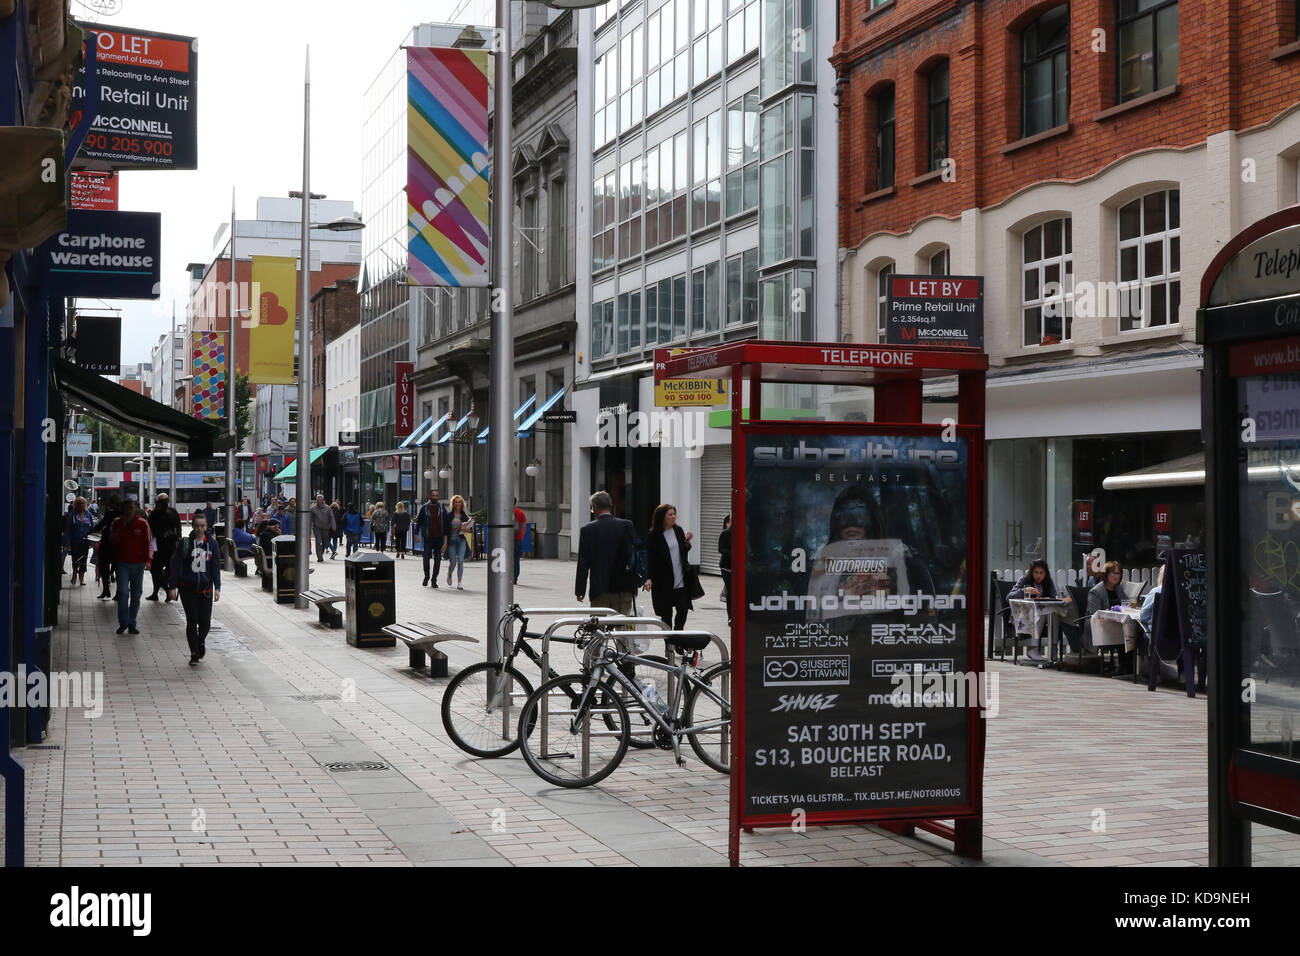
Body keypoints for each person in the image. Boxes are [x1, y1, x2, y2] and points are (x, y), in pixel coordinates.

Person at [167, 512, 221, 666]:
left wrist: (218, 587)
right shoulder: (185, 544)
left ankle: (201, 641)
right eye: (196, 526)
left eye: (202, 526)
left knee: (205, 623)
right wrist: (172, 586)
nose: (199, 529)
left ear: (206, 526)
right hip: (187, 589)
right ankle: (194, 653)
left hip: (206, 590)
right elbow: (176, 565)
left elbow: (216, 567)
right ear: (192, 526)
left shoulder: (213, 544)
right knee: (192, 621)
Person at [575, 490, 637, 614]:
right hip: (624, 587)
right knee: (622, 627)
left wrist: (580, 590)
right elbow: (634, 555)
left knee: (598, 627)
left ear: (595, 507)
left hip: (600, 587)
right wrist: (634, 584)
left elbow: (583, 563)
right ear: (610, 506)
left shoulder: (588, 530)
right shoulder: (627, 525)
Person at [644, 503, 697, 631]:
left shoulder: (678, 531)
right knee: (666, 614)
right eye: (670, 515)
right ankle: (669, 644)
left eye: (674, 514)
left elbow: (682, 551)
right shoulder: (654, 535)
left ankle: (678, 635)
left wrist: (687, 543)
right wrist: (648, 578)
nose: (673, 517)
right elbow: (650, 559)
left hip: (680, 578)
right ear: (662, 517)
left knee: (683, 609)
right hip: (663, 580)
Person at [109, 499, 152, 635]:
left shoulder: (142, 523)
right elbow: (112, 540)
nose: (129, 511)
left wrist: (149, 560)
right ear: (123, 509)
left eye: (132, 508)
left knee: (136, 594)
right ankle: (123, 622)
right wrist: (122, 527)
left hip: (138, 564)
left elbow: (149, 542)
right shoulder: (117, 522)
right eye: (127, 508)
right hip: (122, 563)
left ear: (135, 509)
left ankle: (132, 622)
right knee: (123, 593)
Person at [1008, 559, 1062, 662]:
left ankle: (1054, 648)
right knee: (1041, 612)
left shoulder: (1048, 582)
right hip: (1022, 616)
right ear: (1031, 572)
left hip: (1043, 615)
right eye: (1036, 572)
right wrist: (1024, 591)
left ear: (1045, 573)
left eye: (1041, 573)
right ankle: (1033, 649)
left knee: (1054, 612)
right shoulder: (1024, 580)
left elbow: (1053, 597)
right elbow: (1009, 596)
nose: (1038, 576)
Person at [145, 493, 182, 602]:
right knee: (166, 570)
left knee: (156, 570)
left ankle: (164, 591)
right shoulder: (172, 512)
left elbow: (150, 529)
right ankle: (162, 592)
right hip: (170, 546)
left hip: (160, 547)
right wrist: (178, 536)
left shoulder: (155, 513)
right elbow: (178, 526)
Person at [91, 494, 123, 600]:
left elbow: (101, 524)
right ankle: (118, 593)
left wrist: (90, 531)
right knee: (118, 568)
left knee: (103, 565)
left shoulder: (110, 513)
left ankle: (106, 590)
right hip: (119, 545)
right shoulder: (124, 514)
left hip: (108, 542)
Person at [417, 489, 448, 587]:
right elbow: (419, 522)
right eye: (433, 495)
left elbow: (447, 524)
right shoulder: (424, 508)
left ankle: (434, 580)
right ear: (430, 496)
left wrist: (445, 542)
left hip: (439, 539)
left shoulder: (442, 508)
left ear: (438, 497)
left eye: (436, 496)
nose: (435, 497)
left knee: (438, 560)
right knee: (426, 558)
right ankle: (427, 576)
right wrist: (416, 534)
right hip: (428, 538)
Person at [443, 495, 473, 589]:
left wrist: (465, 528)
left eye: (459, 502)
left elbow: (470, 530)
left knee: (460, 560)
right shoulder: (448, 515)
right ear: (453, 503)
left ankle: (459, 582)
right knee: (453, 562)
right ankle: (449, 574)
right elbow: (445, 531)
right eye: (456, 502)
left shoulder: (464, 515)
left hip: (461, 540)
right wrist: (445, 543)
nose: (457, 504)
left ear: (462, 504)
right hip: (451, 540)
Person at [64, 496, 94, 587]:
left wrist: (92, 541)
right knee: (75, 559)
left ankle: (82, 578)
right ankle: (74, 575)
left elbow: (91, 528)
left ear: (85, 504)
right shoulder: (72, 515)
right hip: (75, 541)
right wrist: (68, 543)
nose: (81, 505)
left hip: (85, 542)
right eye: (79, 503)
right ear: (76, 504)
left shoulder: (88, 514)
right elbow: (68, 530)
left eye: (83, 503)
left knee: (84, 560)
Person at [310, 493, 336, 563]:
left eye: (320, 500)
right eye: (317, 500)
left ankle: (320, 553)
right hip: (317, 528)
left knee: (325, 542)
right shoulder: (313, 509)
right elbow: (310, 519)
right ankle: (320, 557)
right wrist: (309, 528)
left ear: (323, 500)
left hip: (325, 528)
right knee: (318, 541)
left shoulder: (327, 508)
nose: (319, 501)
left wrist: (333, 525)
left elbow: (331, 517)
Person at [718, 514, 732, 626]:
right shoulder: (725, 533)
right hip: (727, 567)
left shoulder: (745, 532)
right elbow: (721, 549)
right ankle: (730, 616)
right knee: (731, 592)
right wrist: (734, 554)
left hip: (741, 568)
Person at [513, 498, 527, 585]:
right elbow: (524, 526)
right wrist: (521, 536)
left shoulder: (504, 511)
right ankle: (515, 578)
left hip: (505, 539)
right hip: (517, 538)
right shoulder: (520, 512)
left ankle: (507, 576)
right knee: (516, 559)